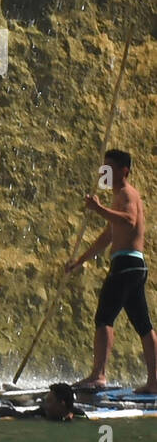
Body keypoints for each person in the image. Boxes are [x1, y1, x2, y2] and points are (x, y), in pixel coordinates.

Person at [65, 149, 157, 393]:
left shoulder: (127, 193)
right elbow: (108, 236)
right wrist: (80, 261)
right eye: (102, 168)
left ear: (123, 171)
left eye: (109, 168)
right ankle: (155, 382)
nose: (103, 172)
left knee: (104, 317)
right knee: (143, 325)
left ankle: (99, 375)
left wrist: (98, 209)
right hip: (133, 266)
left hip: (125, 265)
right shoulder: (121, 195)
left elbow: (128, 219)